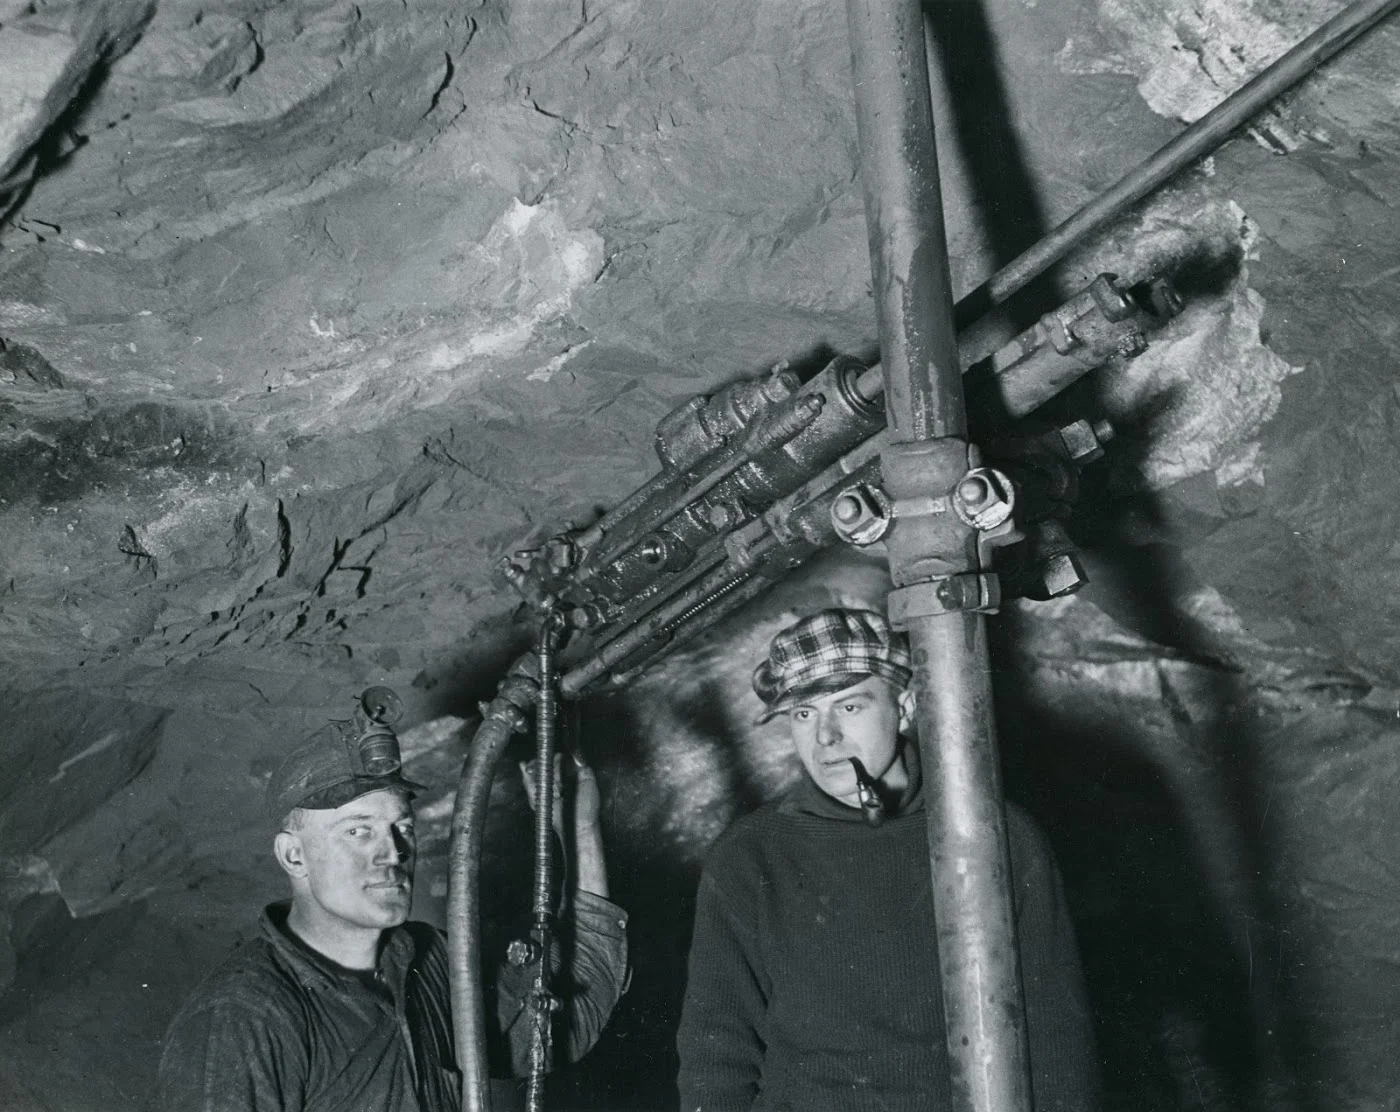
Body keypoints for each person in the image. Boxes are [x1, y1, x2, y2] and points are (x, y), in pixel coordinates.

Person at [676, 608, 1098, 1112]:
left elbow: (1057, 1041)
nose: (825, 737)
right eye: (804, 714)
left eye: (849, 707)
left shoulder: (997, 837)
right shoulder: (748, 858)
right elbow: (715, 1053)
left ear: (905, 706)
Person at [152, 685, 628, 1112]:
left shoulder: (429, 963)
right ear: (293, 855)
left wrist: (577, 827)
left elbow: (564, 1027)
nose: (393, 852)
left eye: (401, 827)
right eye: (358, 831)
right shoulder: (243, 1018)